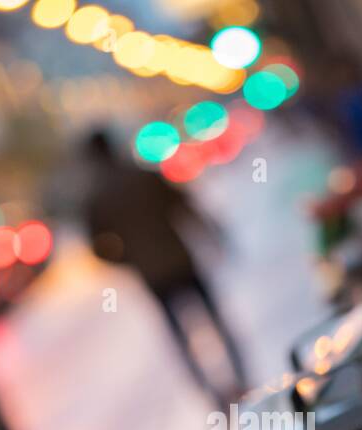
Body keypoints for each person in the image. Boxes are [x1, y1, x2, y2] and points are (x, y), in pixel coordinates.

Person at [81, 129, 247, 405]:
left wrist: (129, 260)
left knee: (180, 337)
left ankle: (209, 391)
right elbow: (184, 206)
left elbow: (99, 248)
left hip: (152, 275)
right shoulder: (143, 176)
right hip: (180, 260)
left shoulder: (97, 199)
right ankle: (240, 377)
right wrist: (214, 234)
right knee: (216, 322)